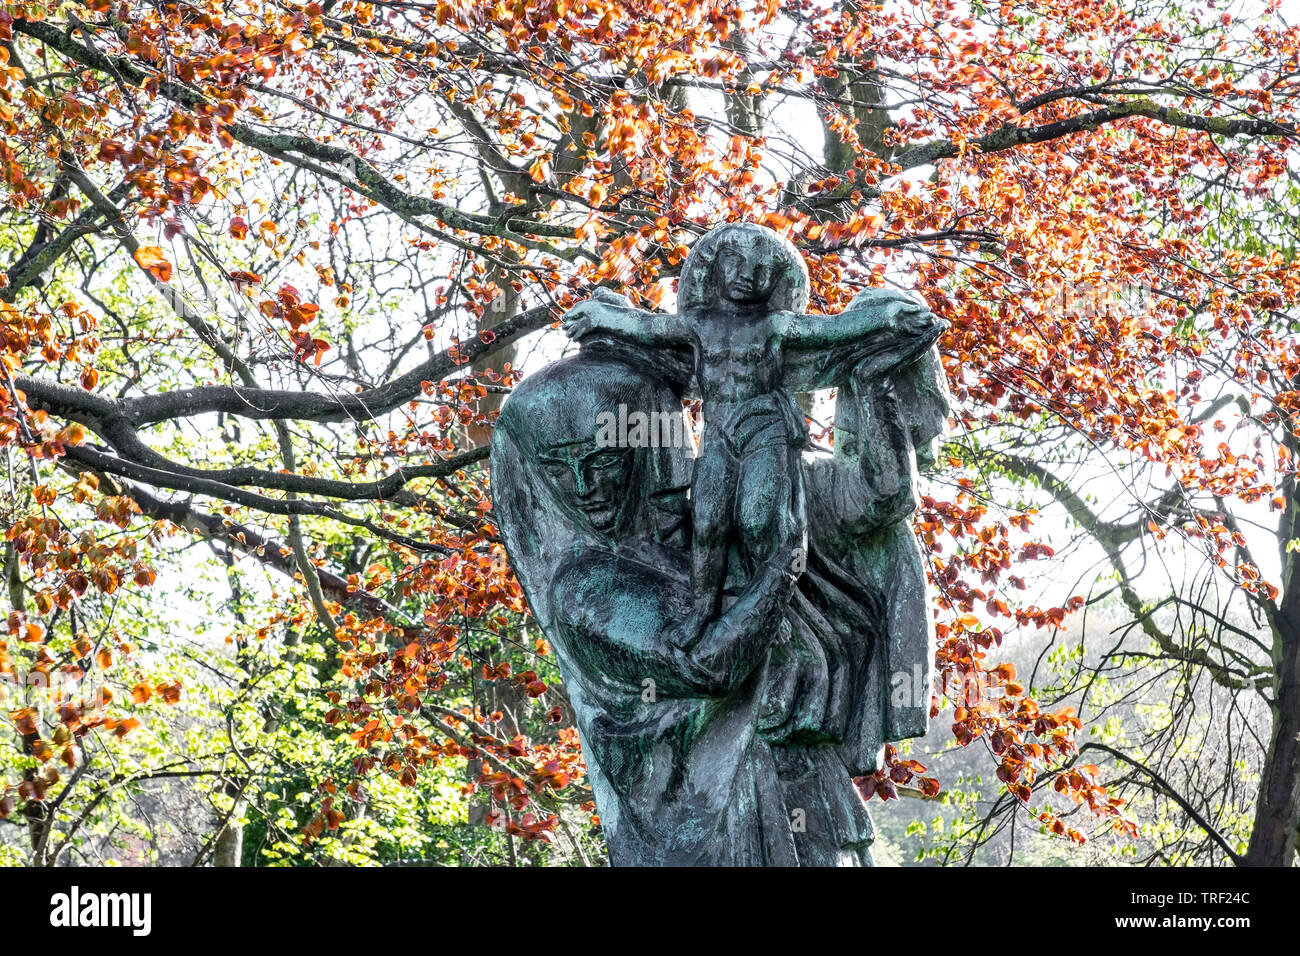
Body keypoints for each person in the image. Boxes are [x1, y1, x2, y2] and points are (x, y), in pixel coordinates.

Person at [560, 223, 944, 634]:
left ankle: (775, 599)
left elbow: (833, 330)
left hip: (763, 429)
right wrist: (603, 316)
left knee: (758, 520)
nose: (748, 274)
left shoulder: (776, 326)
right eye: (736, 262)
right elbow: (647, 328)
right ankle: (703, 610)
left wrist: (887, 315)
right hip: (719, 437)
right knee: (707, 523)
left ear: (776, 278)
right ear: (714, 267)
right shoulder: (698, 325)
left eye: (762, 267)